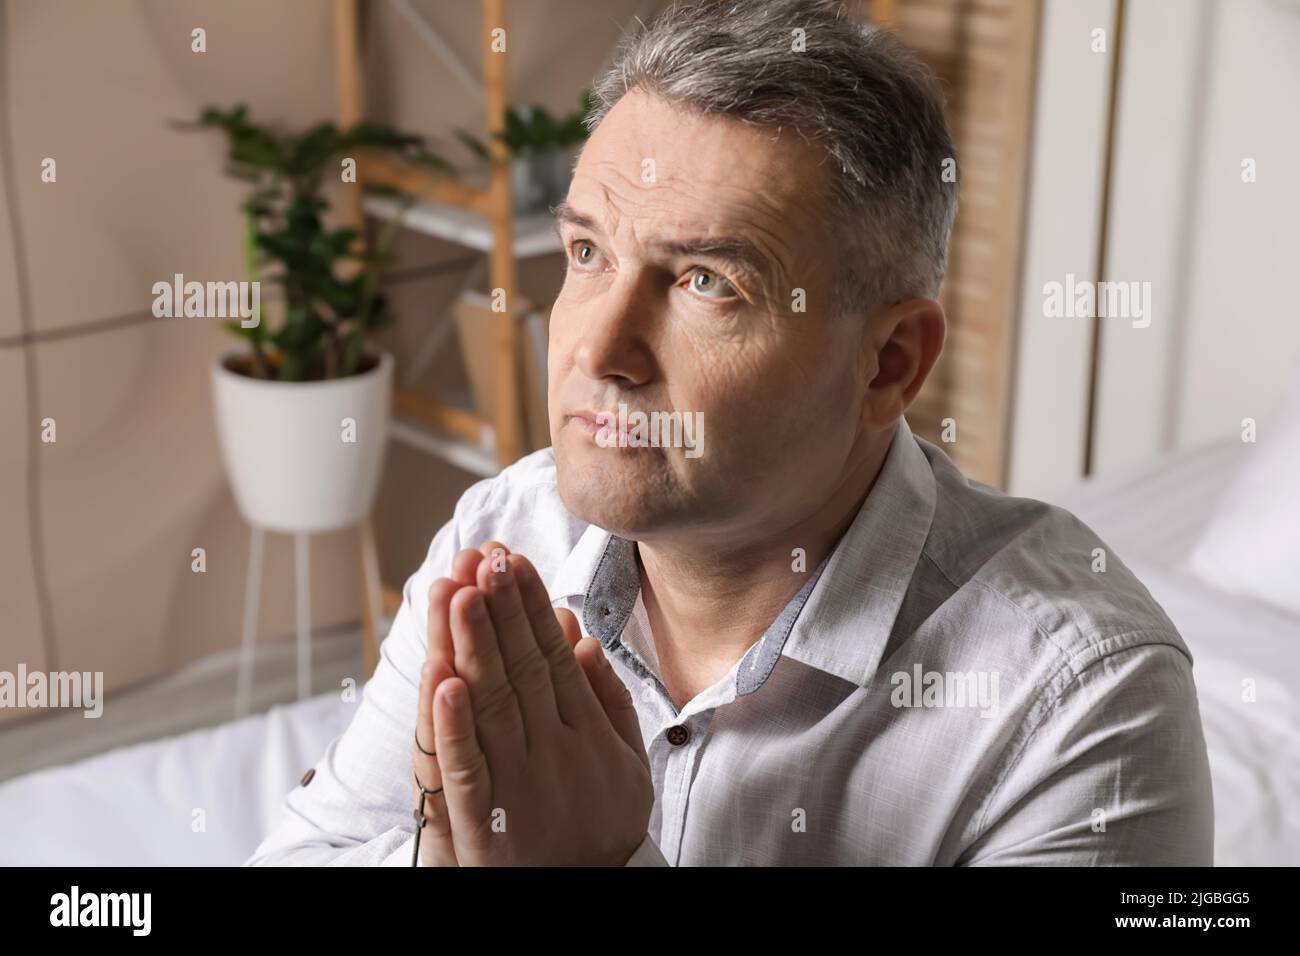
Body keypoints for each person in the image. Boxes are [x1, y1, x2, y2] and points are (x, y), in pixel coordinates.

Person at [248, 0, 1213, 866]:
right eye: (587, 252)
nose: (599, 348)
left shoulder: (1083, 704)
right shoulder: (504, 536)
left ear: (889, 366)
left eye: (708, 281)